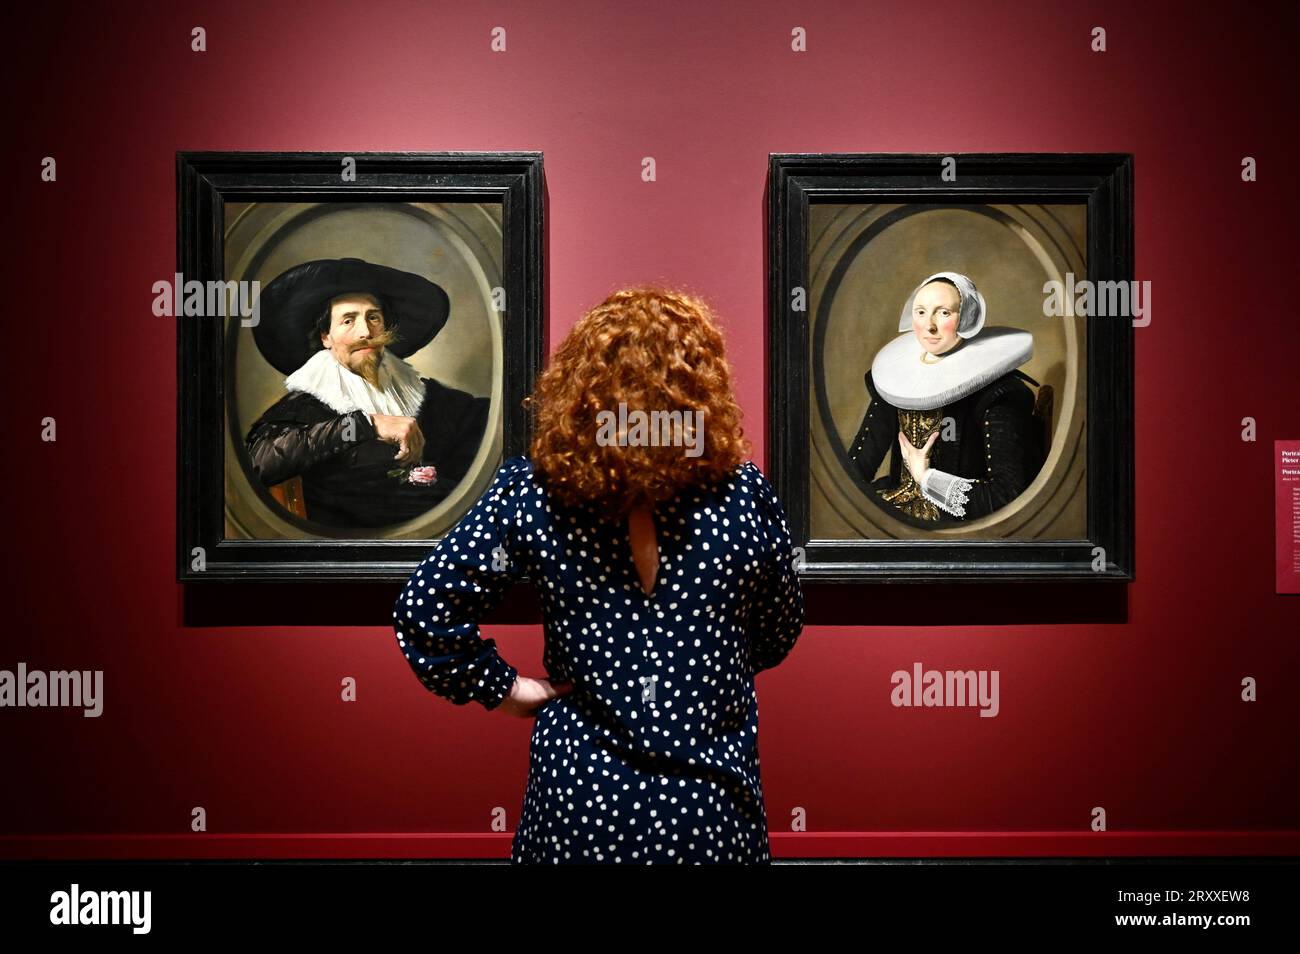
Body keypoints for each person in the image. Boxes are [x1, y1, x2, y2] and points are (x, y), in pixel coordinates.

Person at [393, 287, 806, 864]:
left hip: (581, 810)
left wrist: (506, 691)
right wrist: (694, 672)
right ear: (699, 387)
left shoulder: (533, 491)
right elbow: (777, 632)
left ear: (582, 386)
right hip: (710, 814)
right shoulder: (743, 493)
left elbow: (425, 612)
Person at [243, 257, 489, 528]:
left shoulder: (424, 395)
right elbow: (257, 462)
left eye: (373, 317)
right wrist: (366, 424)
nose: (365, 332)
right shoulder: (306, 404)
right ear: (326, 337)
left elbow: (486, 425)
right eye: (348, 320)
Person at [847, 271, 1043, 527]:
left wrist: (926, 478)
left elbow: (1007, 496)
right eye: (921, 312)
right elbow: (857, 470)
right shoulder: (897, 379)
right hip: (898, 509)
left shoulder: (999, 394)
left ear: (967, 318)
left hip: (955, 527)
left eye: (943, 313)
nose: (929, 326)